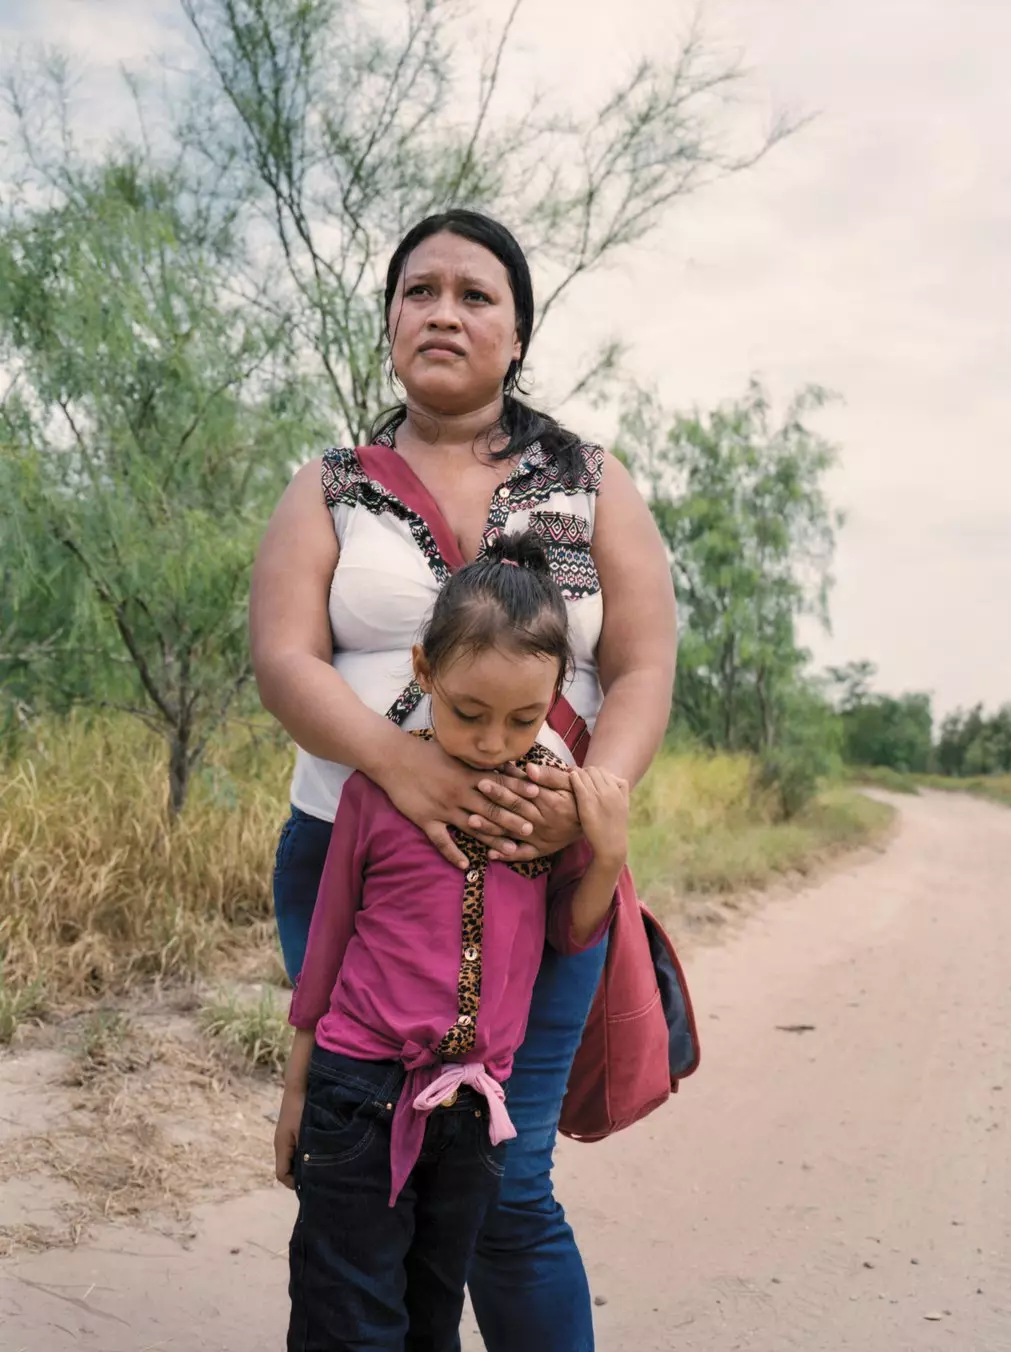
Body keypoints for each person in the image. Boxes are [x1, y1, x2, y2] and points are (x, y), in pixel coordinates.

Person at [251, 207, 676, 1352]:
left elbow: (639, 662)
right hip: (356, 856)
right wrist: (398, 763)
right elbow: (283, 656)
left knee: (506, 1181)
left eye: (474, 293)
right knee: (365, 1156)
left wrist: (599, 795)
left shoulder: (589, 481)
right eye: (418, 289)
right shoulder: (330, 485)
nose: (442, 310)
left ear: (518, 330)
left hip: (544, 884)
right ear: (390, 319)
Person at [278, 532, 628, 1350]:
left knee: (433, 1314)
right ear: (424, 671)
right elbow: (326, 945)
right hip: (355, 1091)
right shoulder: (376, 796)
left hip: (474, 1111)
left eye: (524, 719)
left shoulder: (544, 809)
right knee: (344, 1311)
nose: (493, 739)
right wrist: (297, 1089)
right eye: (469, 712)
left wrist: (603, 850)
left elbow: (570, 938)